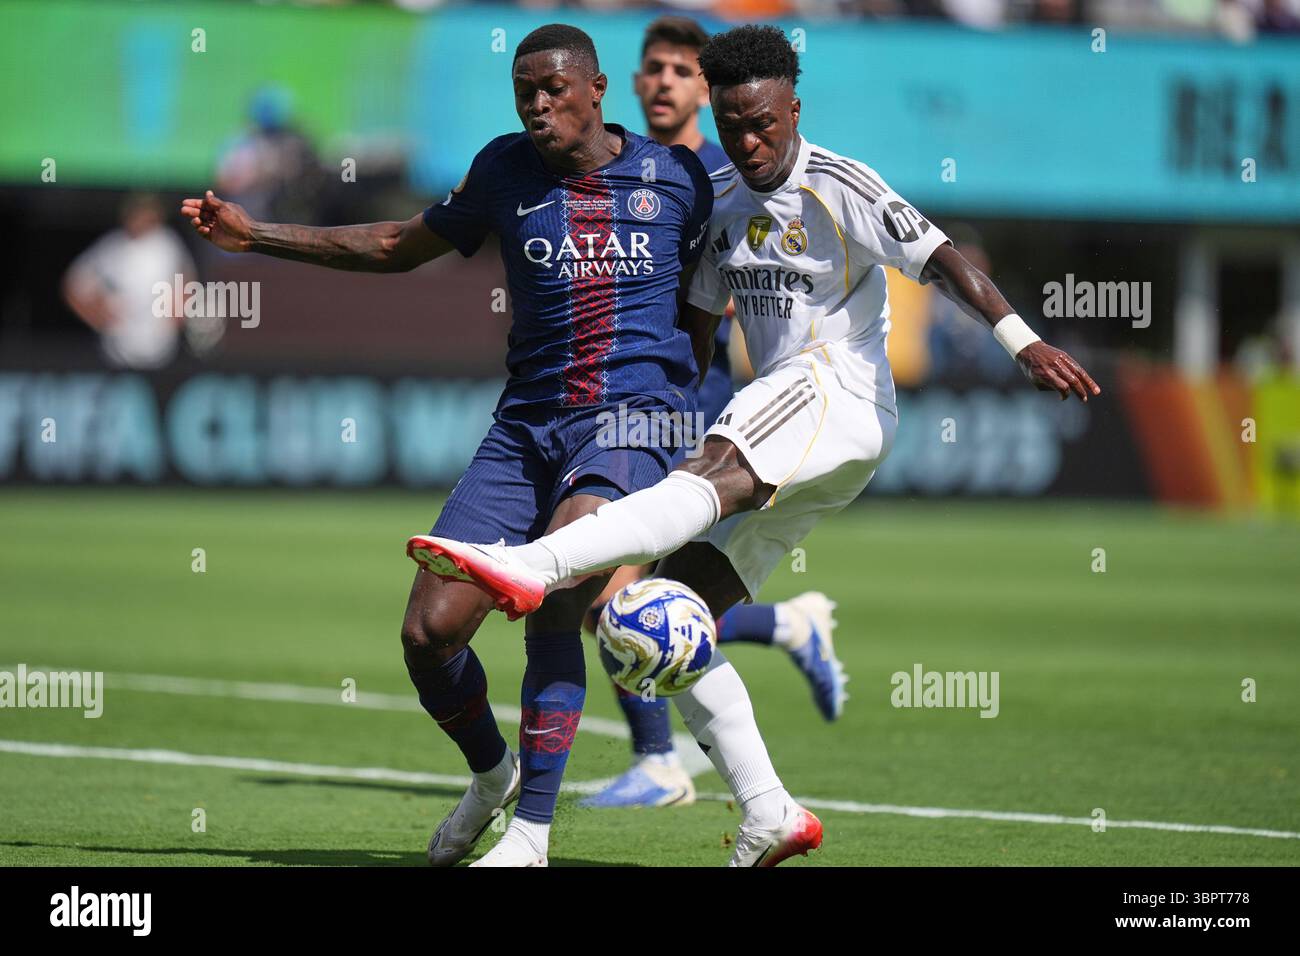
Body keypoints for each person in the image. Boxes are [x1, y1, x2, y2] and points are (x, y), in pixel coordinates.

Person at [408, 25, 1100, 863]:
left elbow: (946, 260)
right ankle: (769, 810)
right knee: (649, 621)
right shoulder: (720, 197)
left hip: (835, 389)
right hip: (794, 433)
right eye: (735, 126)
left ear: (794, 108)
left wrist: (1021, 341)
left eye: (765, 123)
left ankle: (534, 565)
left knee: (701, 480)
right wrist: (664, 412)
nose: (751, 141)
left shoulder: (839, 183)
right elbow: (694, 335)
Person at [185, 23, 812, 868]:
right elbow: (395, 247)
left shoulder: (678, 178)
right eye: (524, 91)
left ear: (597, 90)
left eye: (554, 88)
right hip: (525, 427)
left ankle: (533, 835)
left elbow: (761, 247)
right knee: (428, 632)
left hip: (631, 423)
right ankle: (492, 778)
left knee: (556, 592)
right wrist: (256, 236)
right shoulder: (503, 169)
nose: (538, 103)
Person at [579, 15, 847, 814]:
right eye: (651, 68)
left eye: (678, 69)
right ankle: (787, 627)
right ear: (631, 83)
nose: (663, 81)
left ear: (706, 88)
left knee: (609, 593)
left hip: (691, 405)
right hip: (631, 398)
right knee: (637, 590)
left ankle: (662, 761)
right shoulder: (630, 167)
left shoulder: (719, 176)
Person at [63, 193, 196, 370]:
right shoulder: (111, 247)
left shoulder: (168, 244)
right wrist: (97, 318)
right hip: (117, 352)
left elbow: (189, 285)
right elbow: (73, 287)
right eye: (136, 212)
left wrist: (175, 320)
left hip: (160, 351)